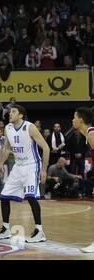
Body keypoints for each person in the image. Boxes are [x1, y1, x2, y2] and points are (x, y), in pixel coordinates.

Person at [0, 105, 50, 243]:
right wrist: (1, 163)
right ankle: (6, 229)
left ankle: (39, 231)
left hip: (32, 166)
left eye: (13, 112)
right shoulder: (8, 128)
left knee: (31, 197)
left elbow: (46, 148)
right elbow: (7, 147)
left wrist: (44, 170)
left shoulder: (30, 127)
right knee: (4, 196)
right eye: (10, 111)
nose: (9, 113)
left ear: (21, 115)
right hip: (18, 166)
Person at [71, 106, 94, 253]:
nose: (72, 120)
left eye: (74, 117)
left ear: (80, 119)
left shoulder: (91, 134)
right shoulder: (88, 134)